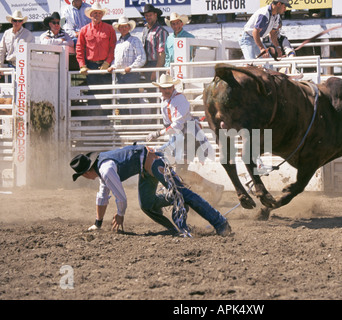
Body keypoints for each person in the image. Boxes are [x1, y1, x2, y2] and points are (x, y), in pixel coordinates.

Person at [69, 143, 232, 237]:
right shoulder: (102, 169)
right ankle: (174, 221)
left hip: (154, 163)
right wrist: (98, 223)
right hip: (145, 168)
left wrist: (120, 214)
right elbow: (103, 196)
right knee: (147, 204)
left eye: (82, 176)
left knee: (183, 193)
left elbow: (121, 198)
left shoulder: (105, 169)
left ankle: (221, 223)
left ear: (86, 172)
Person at [147, 74, 224, 205]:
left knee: (180, 170)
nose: (167, 90)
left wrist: (157, 133)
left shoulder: (178, 100)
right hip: (181, 138)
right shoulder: (166, 101)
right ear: (160, 88)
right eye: (164, 88)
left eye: (169, 87)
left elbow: (177, 125)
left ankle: (211, 188)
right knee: (178, 170)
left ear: (173, 87)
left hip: (188, 137)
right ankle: (207, 189)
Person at [76, 2, 116, 117]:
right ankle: (93, 120)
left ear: (102, 15)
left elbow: (113, 47)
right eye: (94, 13)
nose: (96, 15)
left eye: (99, 13)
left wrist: (107, 62)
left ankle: (107, 122)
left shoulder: (109, 29)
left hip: (105, 66)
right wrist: (82, 65)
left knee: (106, 94)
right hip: (91, 66)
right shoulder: (84, 30)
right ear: (90, 15)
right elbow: (79, 48)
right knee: (93, 94)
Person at [107, 16, 146, 122]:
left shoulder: (135, 40)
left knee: (133, 99)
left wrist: (131, 67)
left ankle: (137, 124)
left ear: (129, 27)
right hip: (120, 75)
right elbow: (116, 60)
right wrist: (112, 66)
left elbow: (141, 57)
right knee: (122, 100)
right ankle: (125, 124)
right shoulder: (118, 43)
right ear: (119, 28)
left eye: (125, 26)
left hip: (131, 75)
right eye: (121, 27)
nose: (123, 29)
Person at [141, 4, 168, 83]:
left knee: (156, 89)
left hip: (156, 63)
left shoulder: (161, 31)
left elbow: (162, 53)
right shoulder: (145, 30)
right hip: (146, 64)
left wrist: (156, 70)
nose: (148, 17)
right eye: (146, 15)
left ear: (155, 15)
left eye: (150, 15)